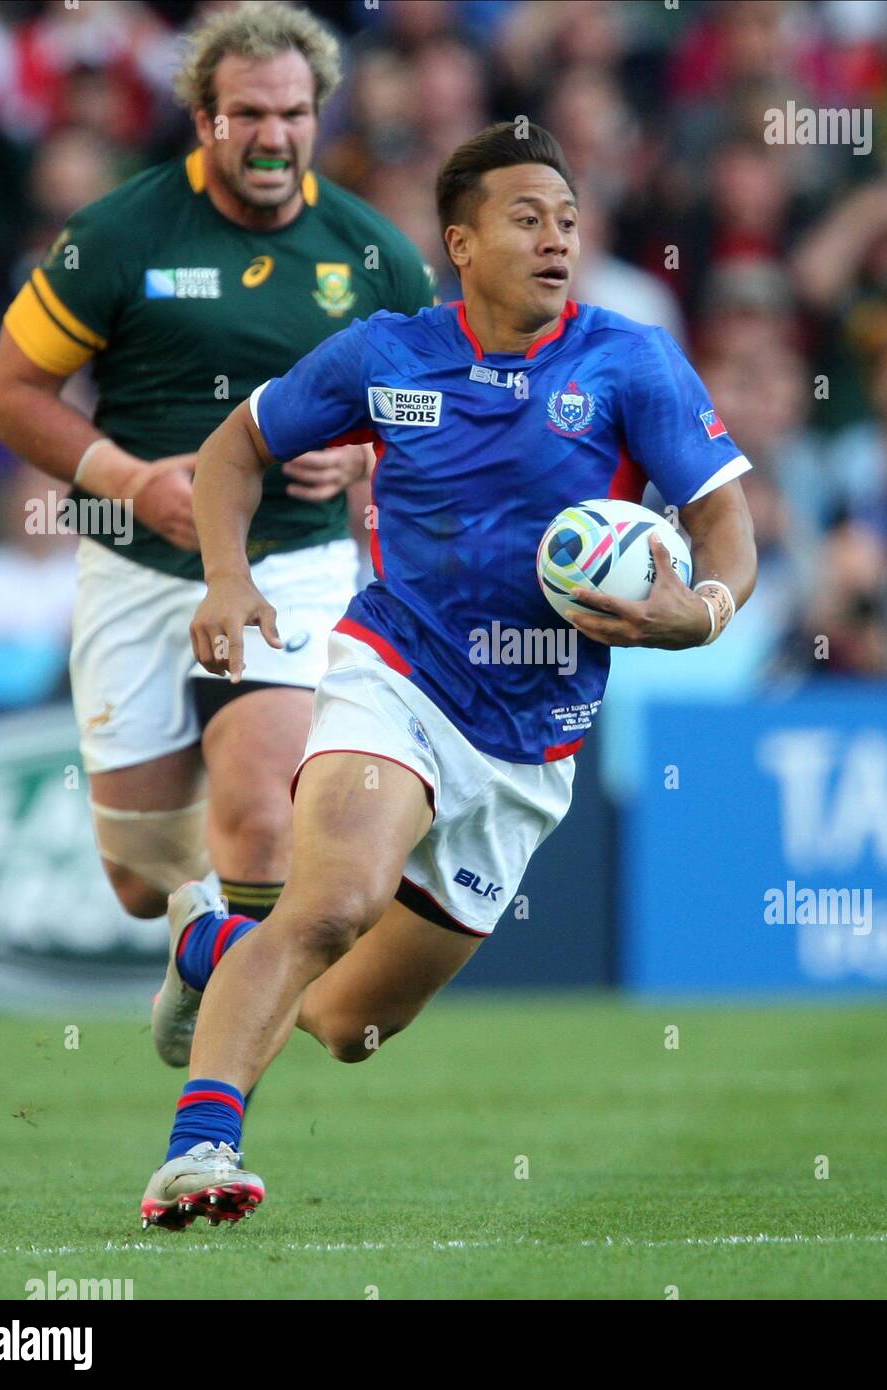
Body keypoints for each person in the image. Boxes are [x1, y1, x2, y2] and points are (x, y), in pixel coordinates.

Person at [138, 122, 757, 1229]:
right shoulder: (385, 354)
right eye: (527, 220)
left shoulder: (629, 361)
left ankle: (209, 940)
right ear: (461, 243)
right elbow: (236, 449)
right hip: (396, 675)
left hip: (532, 744)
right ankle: (199, 1151)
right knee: (331, 901)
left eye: (567, 220)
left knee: (344, 1024)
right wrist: (225, 579)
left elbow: (726, 530)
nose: (556, 240)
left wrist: (696, 612)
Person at [0, 1, 437, 1070]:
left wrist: (365, 453)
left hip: (295, 560)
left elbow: (436, 417)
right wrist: (131, 480)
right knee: (139, 875)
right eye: (246, 115)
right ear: (202, 118)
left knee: (260, 810)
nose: (272, 137)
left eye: (292, 113)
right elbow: (12, 394)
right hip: (139, 564)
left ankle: (220, 1099)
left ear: (319, 113)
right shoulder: (120, 235)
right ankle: (197, 937)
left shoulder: (373, 256)